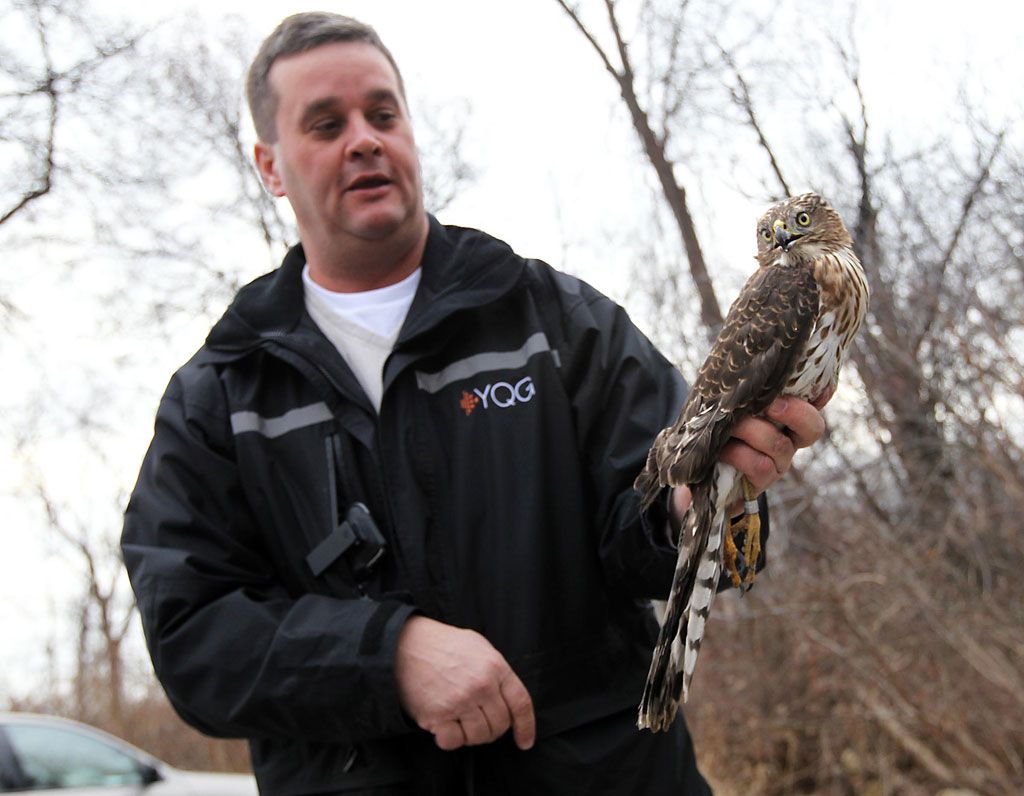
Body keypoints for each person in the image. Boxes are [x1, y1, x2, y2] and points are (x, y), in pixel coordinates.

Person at [121, 12, 826, 796]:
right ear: (270, 166)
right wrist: (386, 655)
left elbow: (661, 513)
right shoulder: (222, 395)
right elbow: (194, 637)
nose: (364, 139)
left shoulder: (553, 324)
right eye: (326, 124)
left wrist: (704, 510)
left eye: (382, 114)